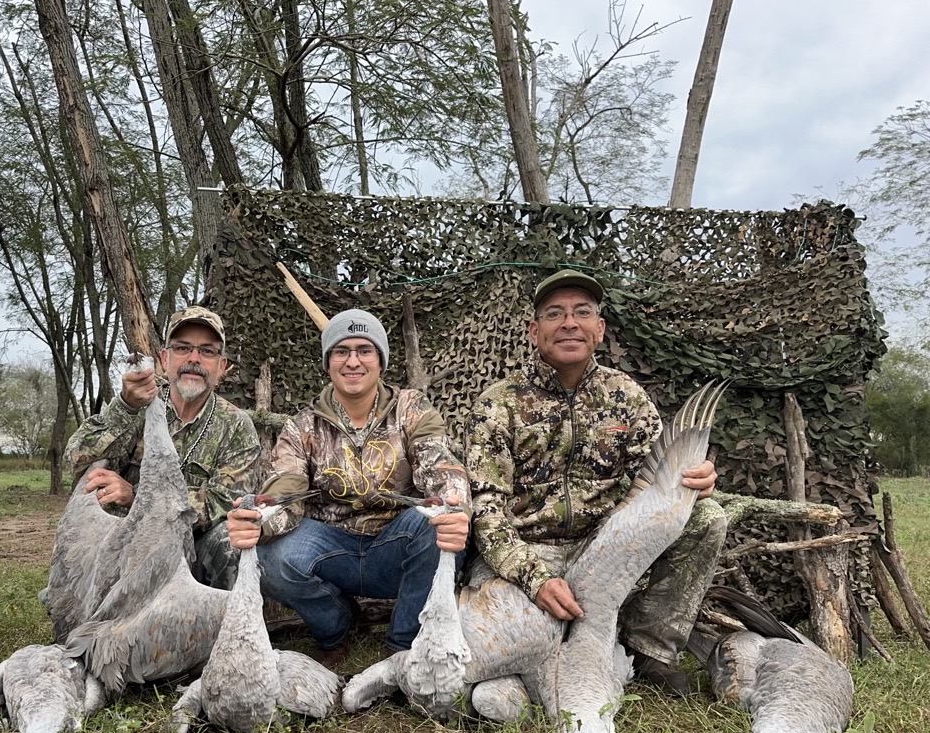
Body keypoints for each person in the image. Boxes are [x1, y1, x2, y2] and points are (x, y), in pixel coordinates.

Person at [463, 268, 727, 695]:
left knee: (706, 518)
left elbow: (659, 482)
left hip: (604, 546)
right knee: (519, 650)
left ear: (599, 329)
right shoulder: (498, 405)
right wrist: (533, 577)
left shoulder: (626, 397)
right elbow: (486, 511)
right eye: (555, 314)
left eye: (582, 312)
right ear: (535, 331)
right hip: (525, 551)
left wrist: (696, 481)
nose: (570, 322)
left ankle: (650, 649)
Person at [227, 308, 471, 669]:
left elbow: (440, 462)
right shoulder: (303, 426)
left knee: (436, 526)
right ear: (328, 362)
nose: (352, 361)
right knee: (272, 556)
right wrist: (258, 521)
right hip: (330, 546)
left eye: (364, 350)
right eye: (341, 351)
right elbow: (285, 490)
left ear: (380, 361)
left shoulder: (411, 409)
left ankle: (403, 645)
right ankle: (335, 625)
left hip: (395, 542)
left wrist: (455, 507)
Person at [66, 306, 260, 589]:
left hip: (191, 552)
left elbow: (222, 504)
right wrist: (125, 405)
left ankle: (218, 625)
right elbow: (78, 462)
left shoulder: (236, 426)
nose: (194, 359)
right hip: (126, 544)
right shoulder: (139, 403)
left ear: (222, 366)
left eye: (207, 351)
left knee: (230, 541)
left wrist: (138, 496)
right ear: (164, 358)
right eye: (183, 348)